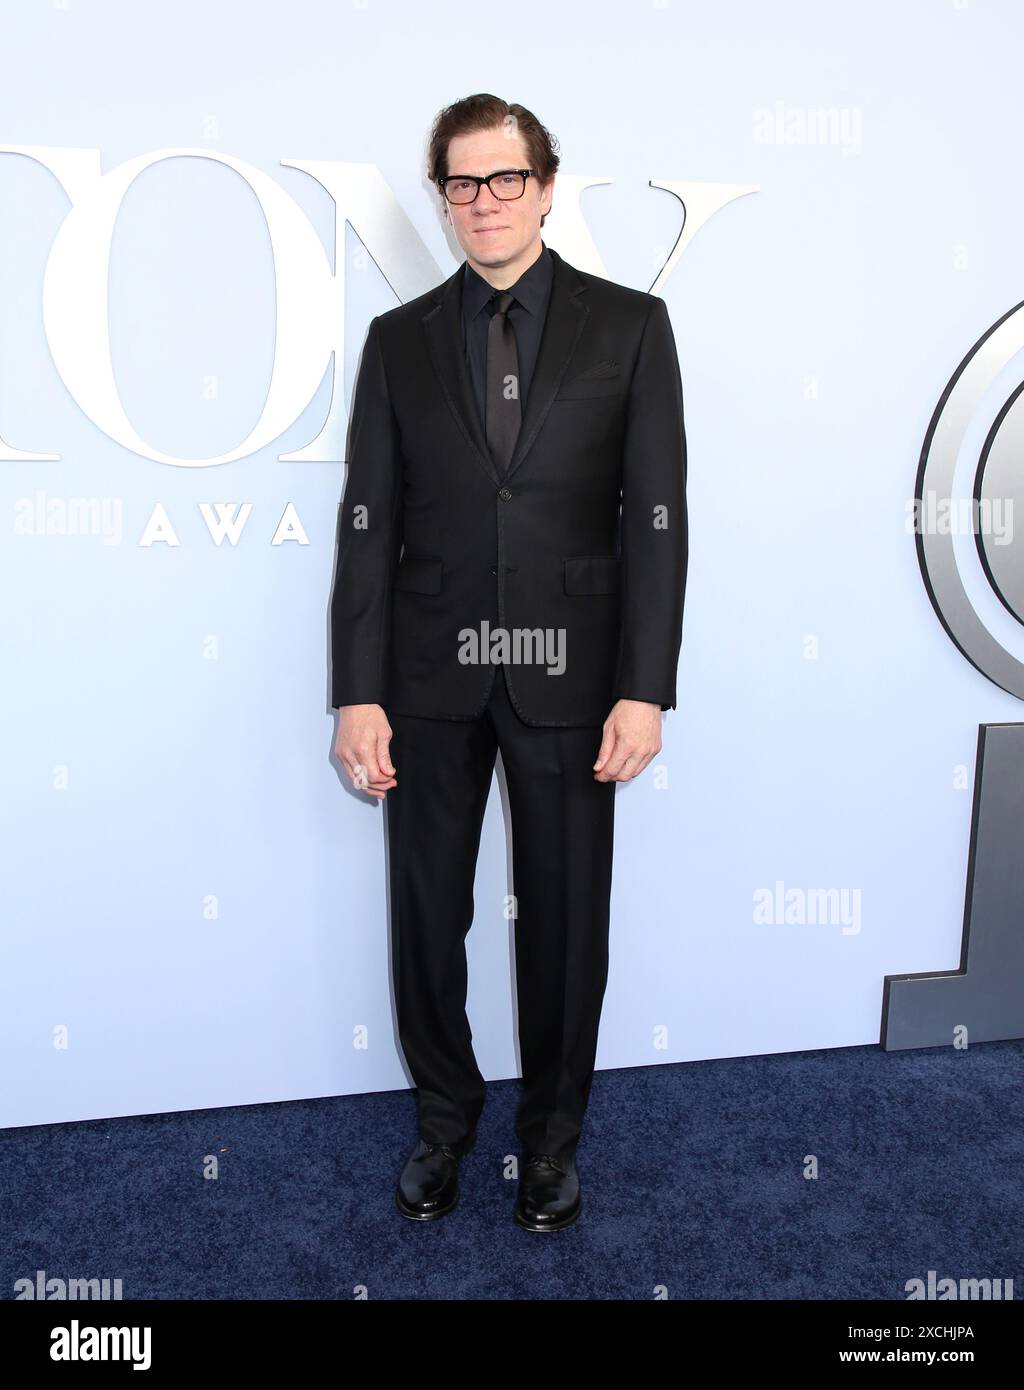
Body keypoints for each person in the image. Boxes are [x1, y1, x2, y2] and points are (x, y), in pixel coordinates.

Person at [330, 93, 688, 1232]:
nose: (482, 202)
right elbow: (366, 521)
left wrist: (646, 683)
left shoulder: (631, 328)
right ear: (441, 196)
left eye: (504, 179)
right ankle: (445, 1122)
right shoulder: (398, 343)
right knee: (426, 917)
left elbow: (657, 521)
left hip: (575, 682)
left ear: (544, 185)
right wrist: (356, 689)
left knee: (566, 921)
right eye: (460, 183)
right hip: (426, 684)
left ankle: (551, 1143)